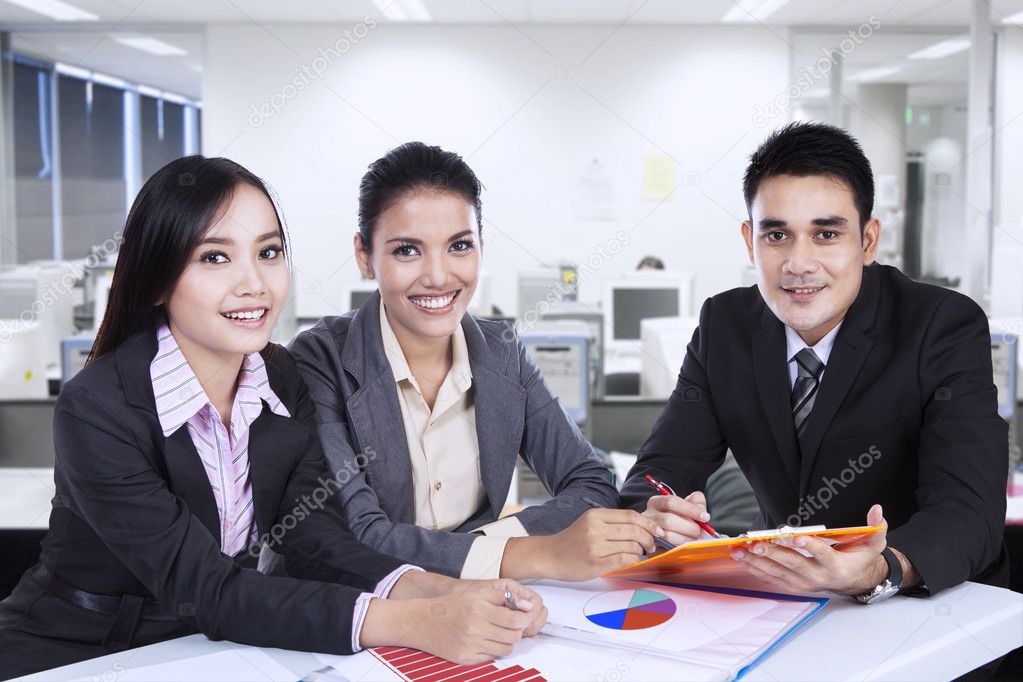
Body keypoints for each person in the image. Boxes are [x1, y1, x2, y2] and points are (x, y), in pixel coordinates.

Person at [0, 155, 545, 679]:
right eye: (215, 258)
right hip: (81, 651)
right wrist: (420, 622)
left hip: (212, 644)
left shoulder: (281, 379)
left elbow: (316, 539)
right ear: (159, 277)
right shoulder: (98, 408)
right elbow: (206, 587)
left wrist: (449, 591)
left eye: (268, 252)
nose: (254, 283)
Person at [621, 122, 1008, 602]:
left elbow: (970, 510)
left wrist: (878, 570)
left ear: (868, 241)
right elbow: (659, 470)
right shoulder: (724, 325)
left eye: (826, 234)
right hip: (785, 596)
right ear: (750, 241)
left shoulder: (940, 326)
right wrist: (655, 516)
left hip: (918, 599)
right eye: (777, 235)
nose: (798, 264)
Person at [289, 142, 662, 582]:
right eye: (407, 250)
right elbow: (358, 536)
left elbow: (590, 483)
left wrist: (483, 549)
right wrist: (537, 554)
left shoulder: (501, 351)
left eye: (459, 246)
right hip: (357, 604)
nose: (438, 276)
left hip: (473, 600)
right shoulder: (320, 360)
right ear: (364, 256)